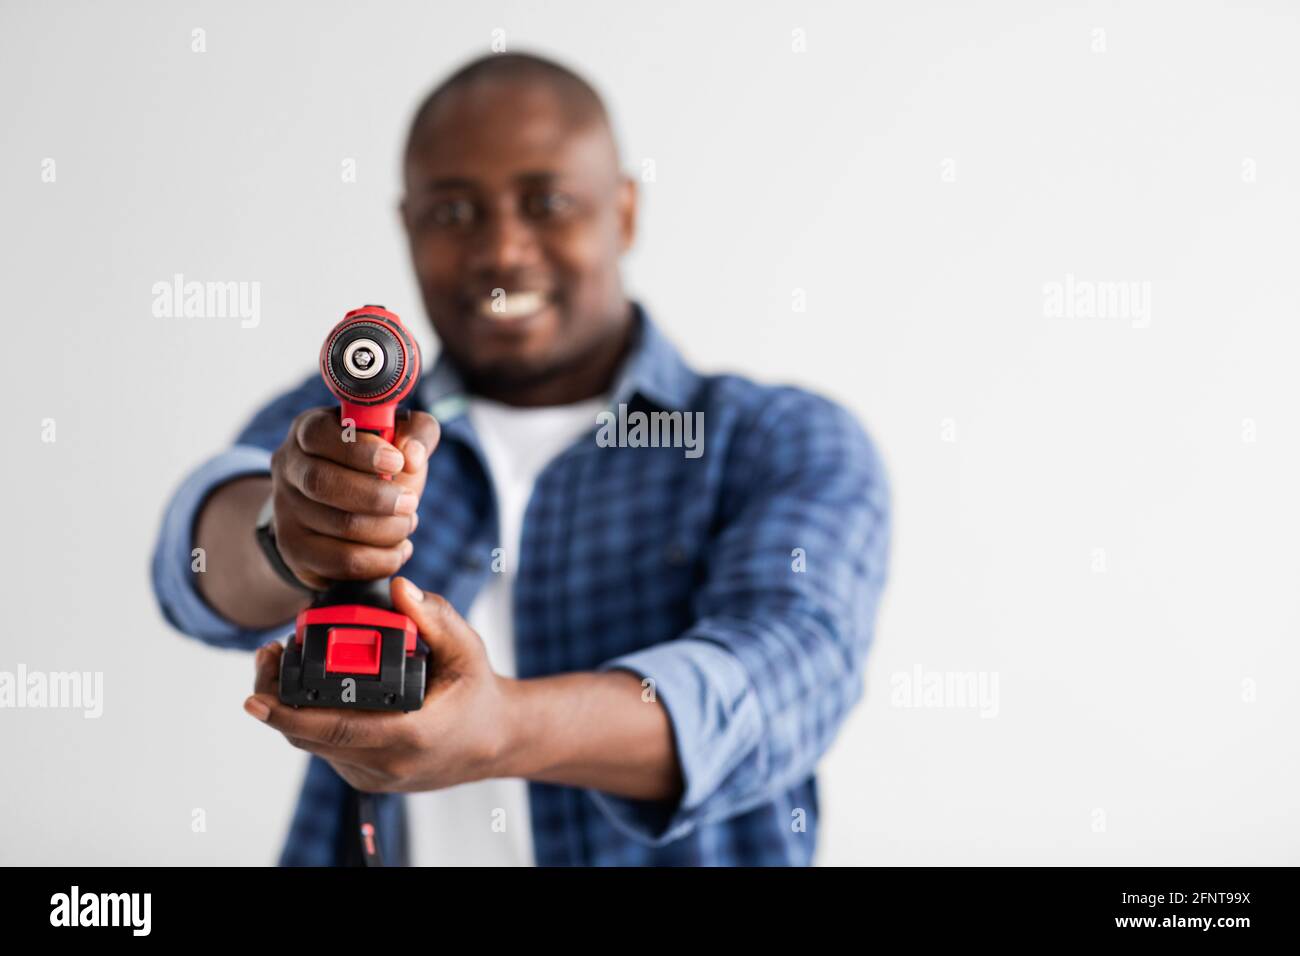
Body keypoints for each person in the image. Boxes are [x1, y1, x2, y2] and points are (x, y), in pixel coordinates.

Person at [151, 51, 891, 866]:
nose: (502, 251)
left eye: (546, 202)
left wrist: (503, 729)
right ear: (408, 227)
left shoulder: (779, 438)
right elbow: (195, 562)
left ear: (626, 212)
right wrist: (281, 534)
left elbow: (786, 677)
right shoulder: (332, 423)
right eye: (454, 212)